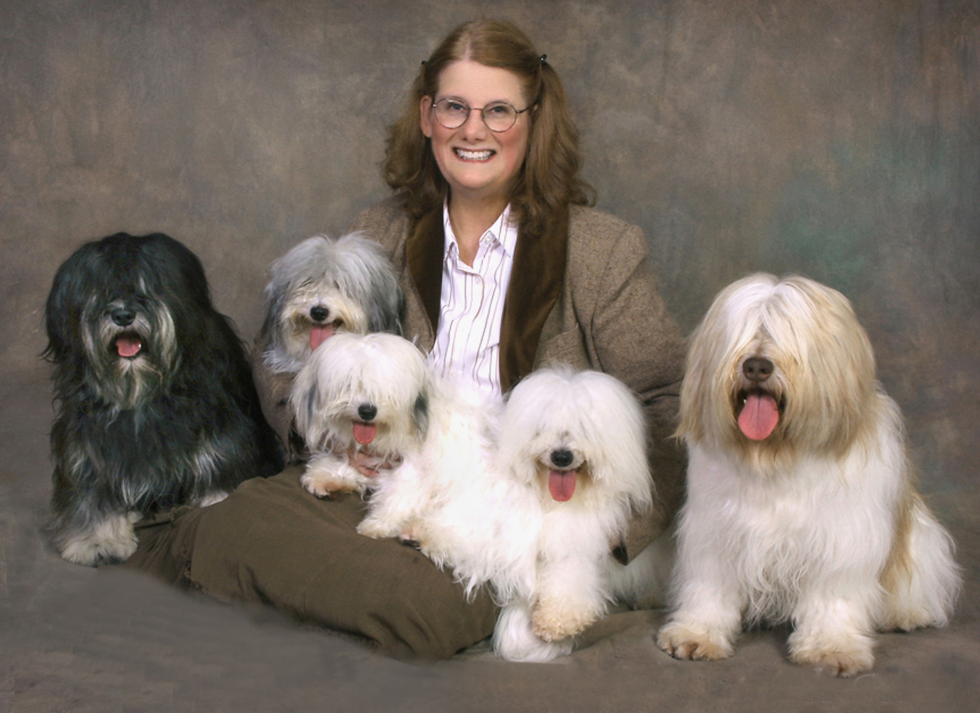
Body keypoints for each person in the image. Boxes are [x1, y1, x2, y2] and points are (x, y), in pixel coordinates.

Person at [126, 18, 686, 660]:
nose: (473, 130)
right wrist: (330, 436)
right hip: (375, 477)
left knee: (413, 605)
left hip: (504, 505)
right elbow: (284, 351)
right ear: (427, 116)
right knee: (234, 522)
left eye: (499, 111)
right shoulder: (380, 230)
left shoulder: (601, 249)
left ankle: (298, 590)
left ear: (535, 122)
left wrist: (603, 533)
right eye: (455, 107)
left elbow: (669, 399)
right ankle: (280, 572)